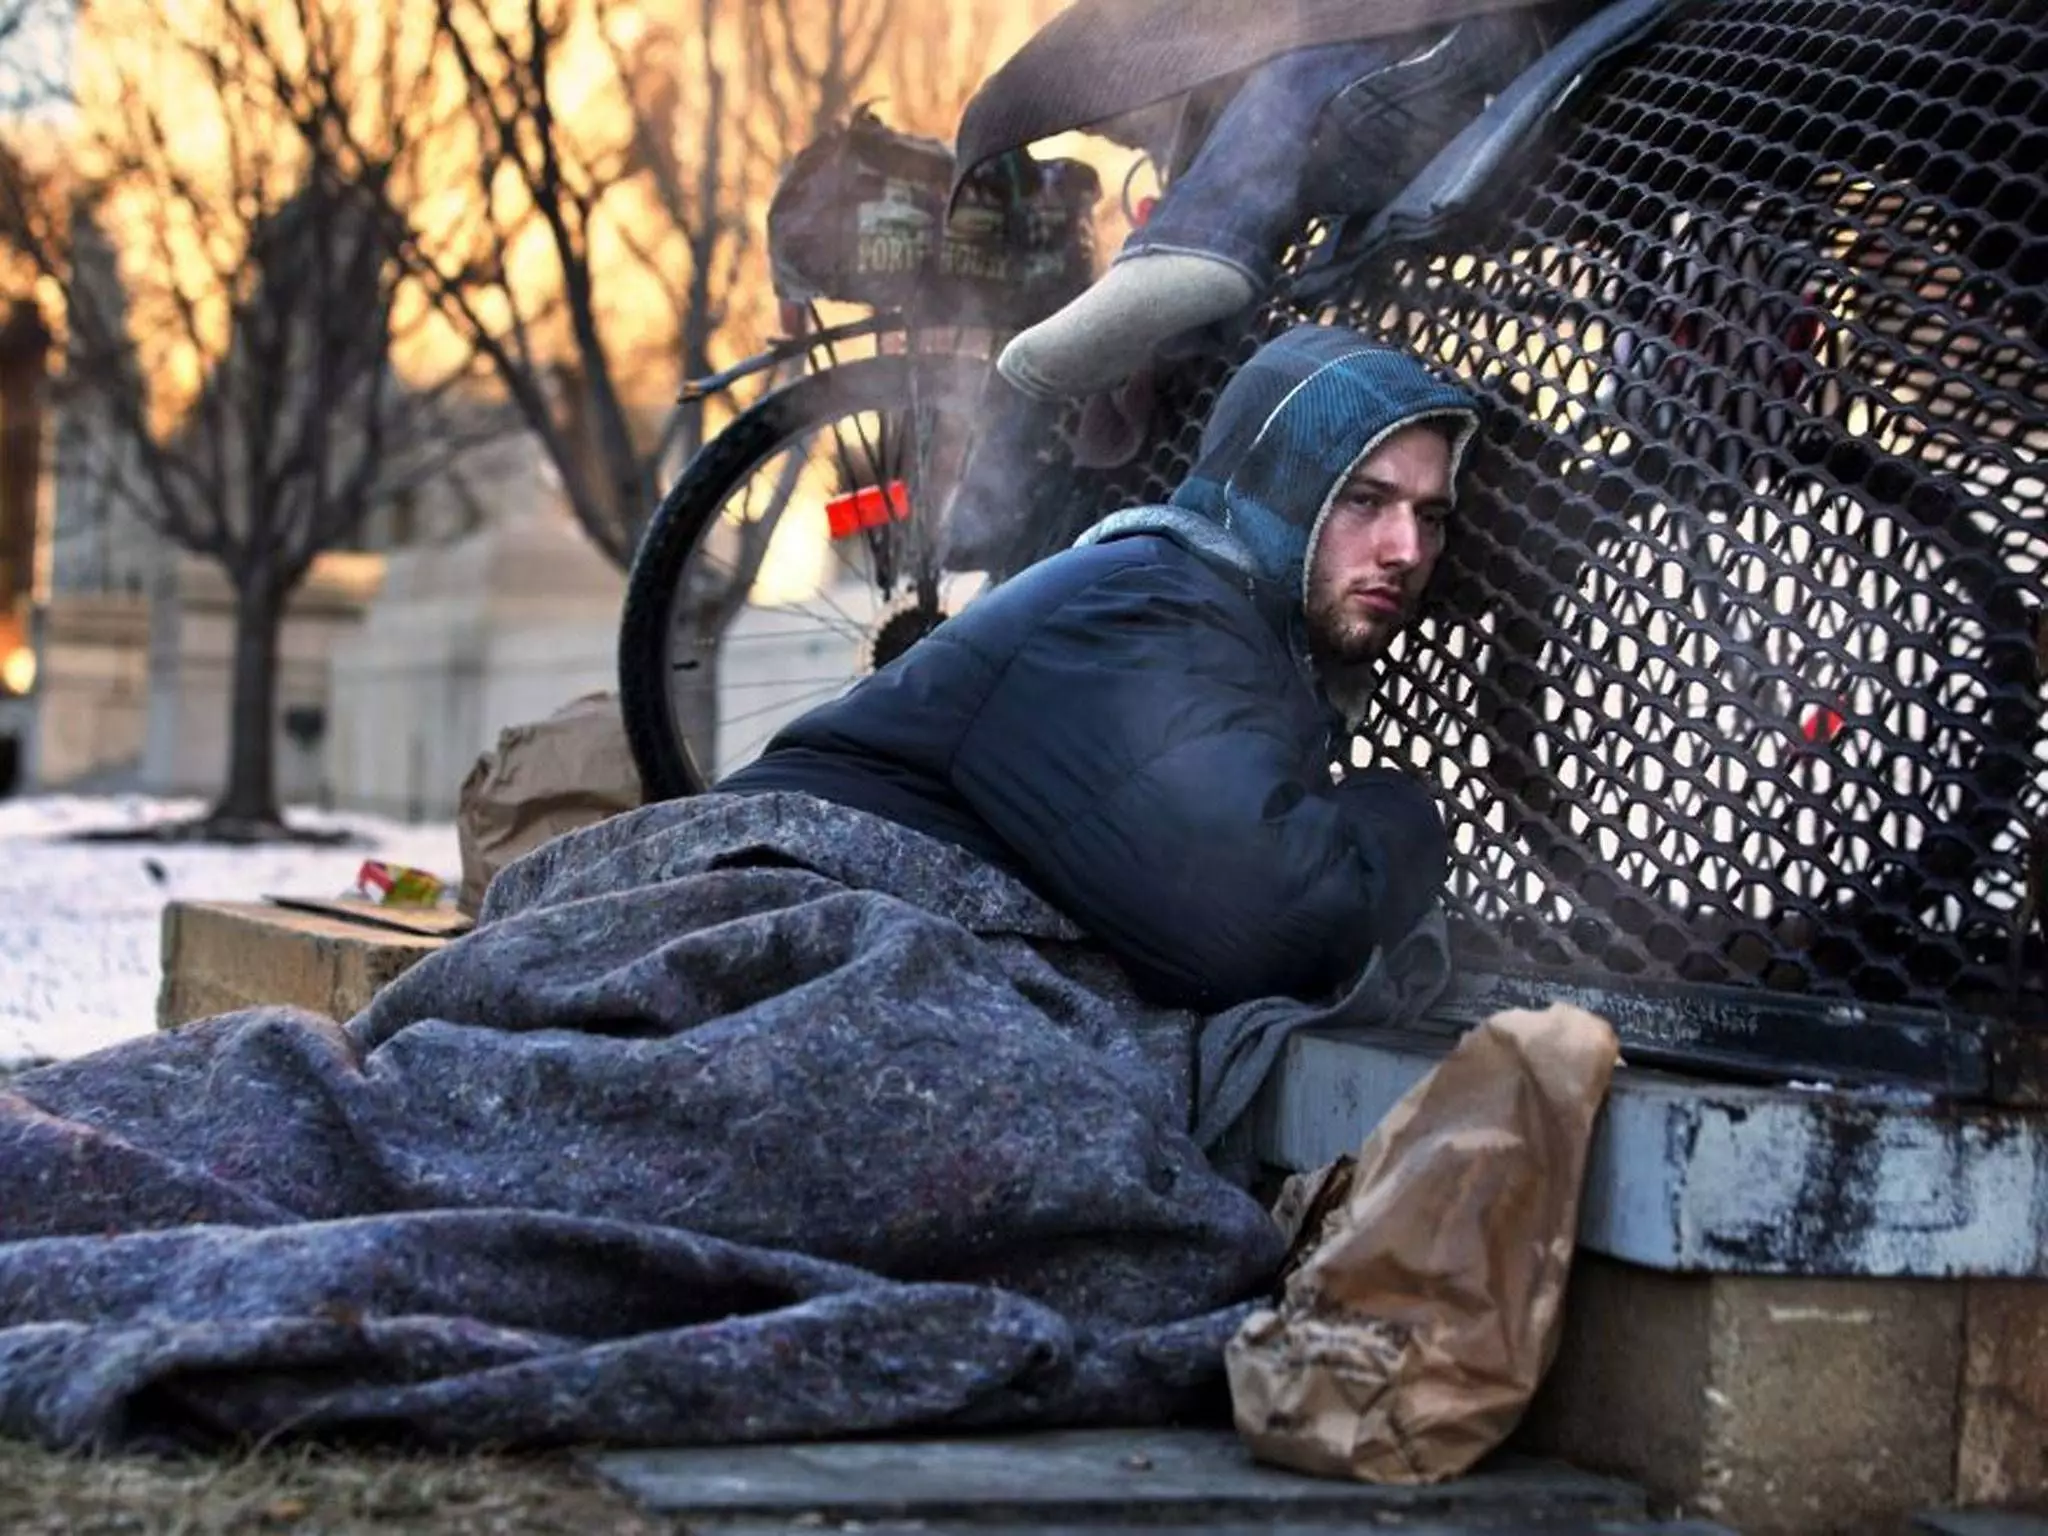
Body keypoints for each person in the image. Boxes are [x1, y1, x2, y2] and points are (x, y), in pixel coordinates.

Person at [719, 324, 1476, 1011]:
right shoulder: (1152, 607)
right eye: (1366, 500)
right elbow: (1261, 925)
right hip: (763, 902)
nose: (1407, 551)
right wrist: (1401, 812)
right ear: (1279, 492)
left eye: (1431, 516)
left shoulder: (1216, 619)